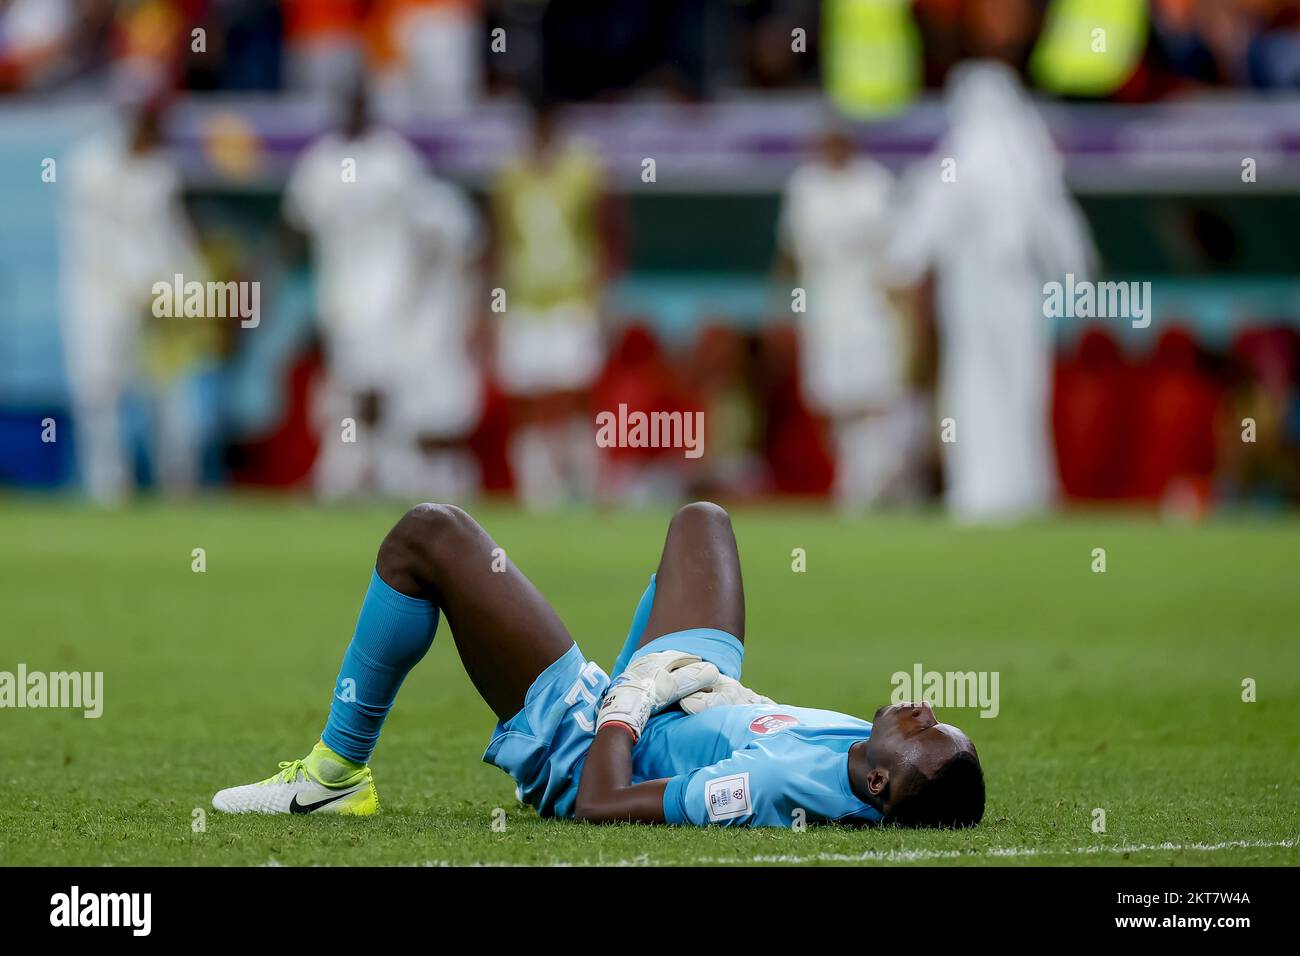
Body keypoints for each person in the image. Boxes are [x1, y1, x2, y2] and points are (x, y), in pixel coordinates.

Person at [212, 502, 984, 829]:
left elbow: (603, 802)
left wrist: (631, 698)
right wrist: (728, 698)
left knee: (425, 536)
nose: (923, 710)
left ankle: (331, 779)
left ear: (881, 784)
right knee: (701, 523)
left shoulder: (772, 789)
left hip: (595, 742)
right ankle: (633, 674)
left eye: (927, 732)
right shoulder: (858, 754)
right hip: (691, 696)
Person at [887, 60, 1095, 522]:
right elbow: (1057, 222)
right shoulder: (1028, 154)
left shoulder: (965, 152)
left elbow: (928, 212)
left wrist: (903, 261)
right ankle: (1019, 488)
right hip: (1015, 291)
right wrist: (1075, 276)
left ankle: (987, 492)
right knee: (1022, 387)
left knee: (979, 387)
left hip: (977, 290)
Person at [283, 80, 428, 498]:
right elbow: (296, 223)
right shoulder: (321, 162)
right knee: (345, 388)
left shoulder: (394, 159)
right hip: (339, 296)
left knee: (382, 386)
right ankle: (350, 471)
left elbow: (422, 224)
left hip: (388, 292)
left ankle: (385, 471)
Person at [61, 99, 207, 503]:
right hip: (97, 298)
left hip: (153, 302)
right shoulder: (90, 164)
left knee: (168, 391)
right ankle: (108, 488)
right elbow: (94, 245)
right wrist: (134, 288)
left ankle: (177, 484)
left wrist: (189, 291)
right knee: (98, 392)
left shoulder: (160, 173)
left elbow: (171, 239)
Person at [777, 129, 909, 510]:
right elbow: (791, 253)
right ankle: (856, 476)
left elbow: (898, 254)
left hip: (870, 304)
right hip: (823, 306)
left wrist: (905, 312)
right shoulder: (804, 185)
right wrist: (782, 308)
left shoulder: (877, 183)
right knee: (831, 397)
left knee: (874, 391)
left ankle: (871, 481)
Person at [491, 104, 607, 509]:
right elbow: (501, 239)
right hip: (523, 299)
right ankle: (536, 487)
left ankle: (584, 482)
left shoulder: (581, 172)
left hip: (571, 297)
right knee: (525, 394)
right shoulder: (510, 176)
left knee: (574, 392)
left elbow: (604, 230)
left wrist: (603, 290)